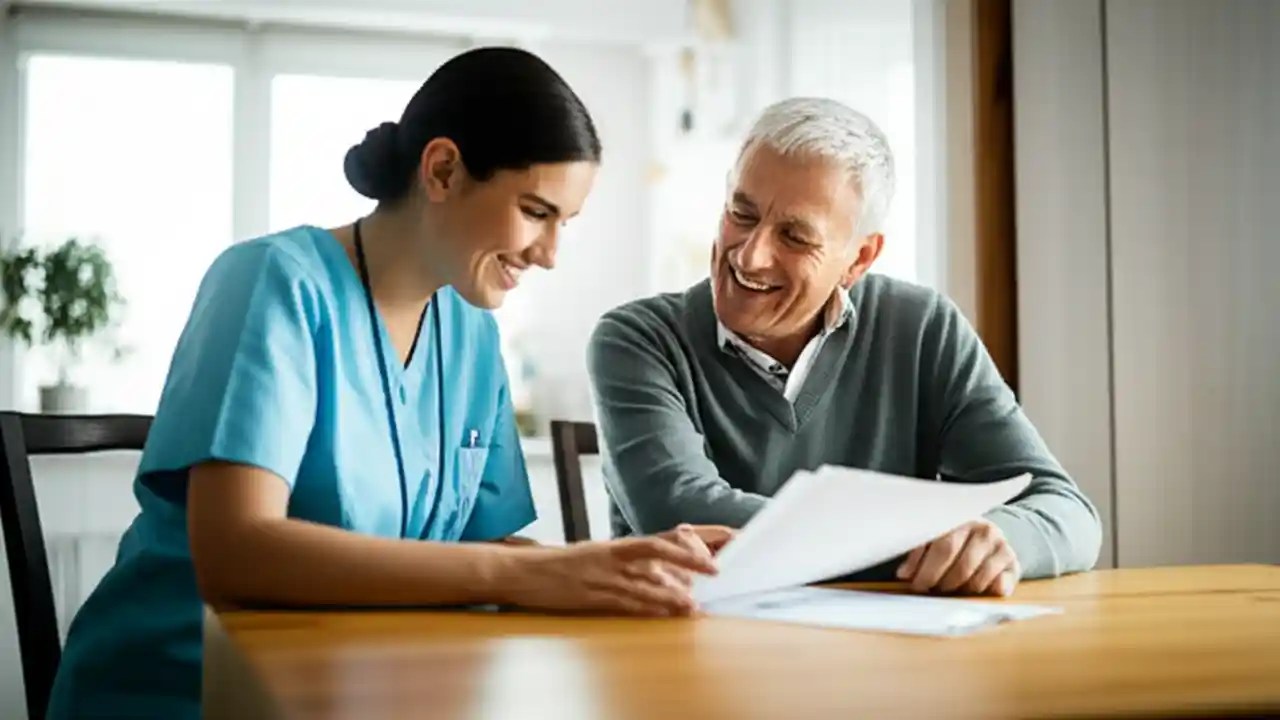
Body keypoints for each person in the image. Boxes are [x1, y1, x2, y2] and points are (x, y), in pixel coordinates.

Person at [46, 47, 729, 720]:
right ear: (442, 170)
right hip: (188, 688)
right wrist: (536, 574)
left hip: (363, 683)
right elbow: (236, 554)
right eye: (535, 212)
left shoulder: (471, 331)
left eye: (565, 224)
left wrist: (617, 563)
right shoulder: (273, 282)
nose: (549, 255)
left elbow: (476, 553)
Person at [587, 97, 1101, 599]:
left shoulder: (922, 328)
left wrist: (996, 541)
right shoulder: (637, 340)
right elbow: (681, 513)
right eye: (741, 214)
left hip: (876, 663)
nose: (751, 254)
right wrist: (917, 543)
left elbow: (1066, 510)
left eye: (794, 236)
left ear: (859, 257)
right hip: (682, 656)